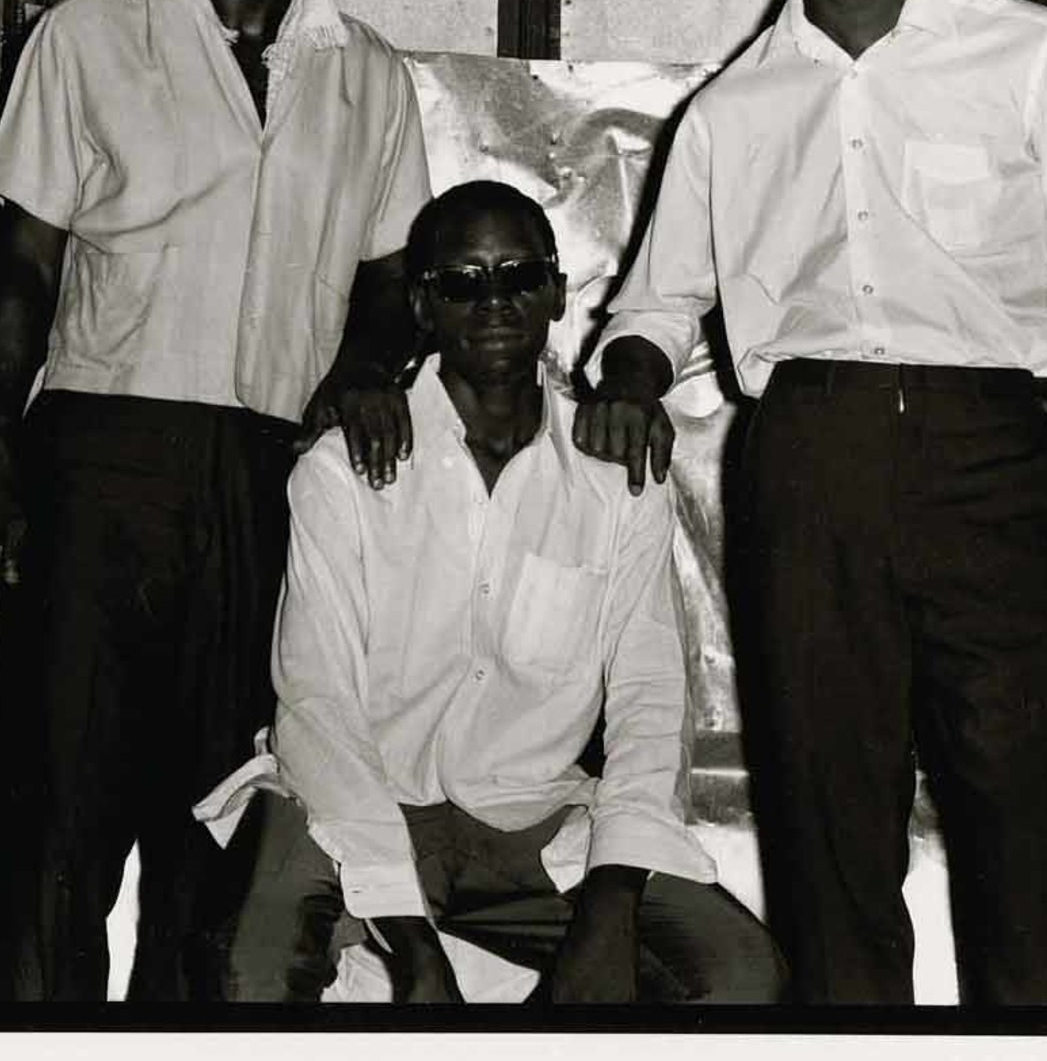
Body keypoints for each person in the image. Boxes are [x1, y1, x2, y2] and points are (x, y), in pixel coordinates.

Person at [575, 0, 1047, 1006]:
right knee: (825, 822)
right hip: (808, 460)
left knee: (1014, 808)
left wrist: (997, 414)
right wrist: (626, 375)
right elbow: (657, 302)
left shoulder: (1030, 51)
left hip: (984, 450)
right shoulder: (732, 108)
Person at [0, 0, 431, 1002]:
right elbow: (21, 275)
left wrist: (366, 364)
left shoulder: (370, 73)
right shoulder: (87, 37)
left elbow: (390, 277)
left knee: (218, 832)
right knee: (56, 819)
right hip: (102, 462)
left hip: (271, 480)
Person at [217, 180, 784, 1008]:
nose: (494, 301)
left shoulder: (614, 479)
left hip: (528, 821)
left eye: (519, 276)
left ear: (557, 293)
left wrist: (610, 906)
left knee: (738, 977)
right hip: (354, 806)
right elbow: (318, 708)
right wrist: (412, 944)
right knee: (255, 972)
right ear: (423, 305)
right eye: (462, 282)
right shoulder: (345, 470)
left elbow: (651, 700)